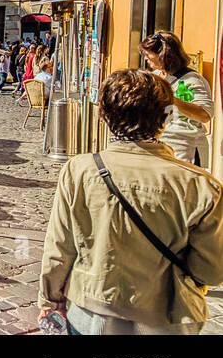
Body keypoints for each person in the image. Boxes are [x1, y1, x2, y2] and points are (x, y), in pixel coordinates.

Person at [38, 68, 223, 335]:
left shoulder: (79, 170)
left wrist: (50, 301)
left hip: (91, 311)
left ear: (105, 117)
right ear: (166, 118)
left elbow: (60, 248)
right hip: (168, 316)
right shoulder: (202, 186)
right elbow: (211, 271)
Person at [141, 31, 213, 169]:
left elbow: (205, 115)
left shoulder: (192, 80)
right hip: (161, 147)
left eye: (148, 54)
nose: (145, 59)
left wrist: (171, 99)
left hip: (185, 150)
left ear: (163, 54)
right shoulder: (156, 76)